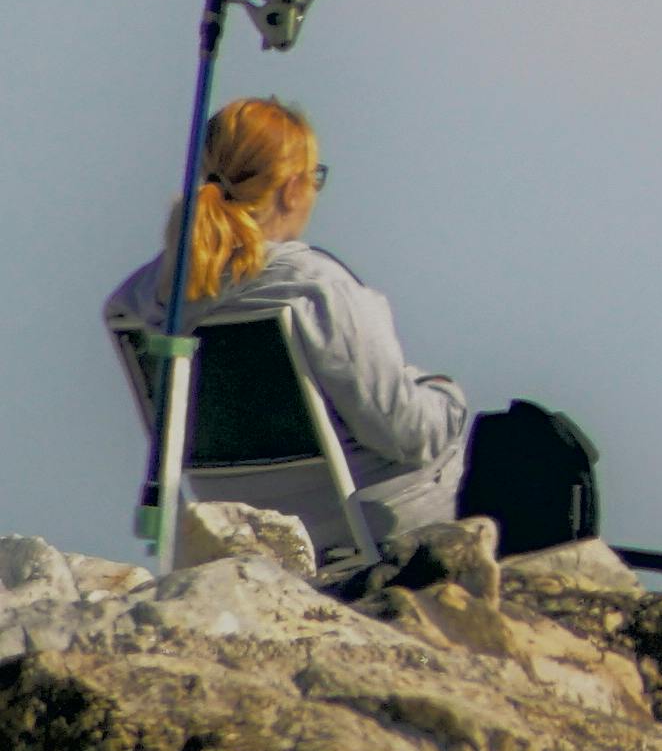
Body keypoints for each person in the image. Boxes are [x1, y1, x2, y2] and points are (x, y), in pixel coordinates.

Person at [97, 97, 468, 576]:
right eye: (315, 177)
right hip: (359, 523)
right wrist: (446, 396)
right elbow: (405, 433)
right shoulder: (313, 288)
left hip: (241, 522)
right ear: (293, 189)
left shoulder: (140, 299)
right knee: (532, 447)